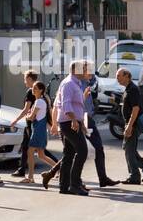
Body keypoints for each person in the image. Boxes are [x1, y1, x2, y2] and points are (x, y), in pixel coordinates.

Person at [51, 61, 88, 195]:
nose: (85, 71)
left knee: (69, 154)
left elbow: (78, 105)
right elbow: (66, 104)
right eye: (82, 69)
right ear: (75, 70)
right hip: (69, 122)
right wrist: (73, 120)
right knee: (82, 151)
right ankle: (74, 184)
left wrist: (81, 123)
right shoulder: (69, 83)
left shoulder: (76, 83)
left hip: (73, 122)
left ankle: (64, 186)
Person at [81, 65, 118, 188]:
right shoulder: (78, 84)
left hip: (88, 119)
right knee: (77, 151)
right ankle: (71, 179)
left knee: (97, 149)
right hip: (82, 119)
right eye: (89, 71)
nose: (92, 74)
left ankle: (103, 178)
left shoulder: (88, 82)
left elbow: (94, 92)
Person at [117, 67, 143, 185]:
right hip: (130, 123)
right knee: (129, 149)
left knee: (129, 150)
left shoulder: (133, 89)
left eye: (119, 76)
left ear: (127, 76)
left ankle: (134, 176)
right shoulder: (129, 88)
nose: (117, 78)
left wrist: (130, 126)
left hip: (133, 124)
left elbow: (136, 108)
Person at [21, 81, 59, 183]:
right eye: (33, 88)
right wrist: (30, 115)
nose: (33, 90)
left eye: (35, 88)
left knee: (30, 152)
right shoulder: (40, 101)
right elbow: (35, 116)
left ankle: (30, 177)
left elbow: (31, 117)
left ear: (41, 90)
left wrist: (27, 115)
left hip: (38, 131)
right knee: (41, 155)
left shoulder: (39, 102)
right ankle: (59, 169)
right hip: (39, 130)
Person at [9, 70, 41, 177]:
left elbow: (26, 109)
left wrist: (15, 120)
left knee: (37, 149)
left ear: (30, 79)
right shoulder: (39, 90)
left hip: (31, 123)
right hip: (34, 123)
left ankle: (57, 166)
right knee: (26, 146)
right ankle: (22, 169)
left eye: (25, 79)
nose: (24, 81)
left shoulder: (31, 92)